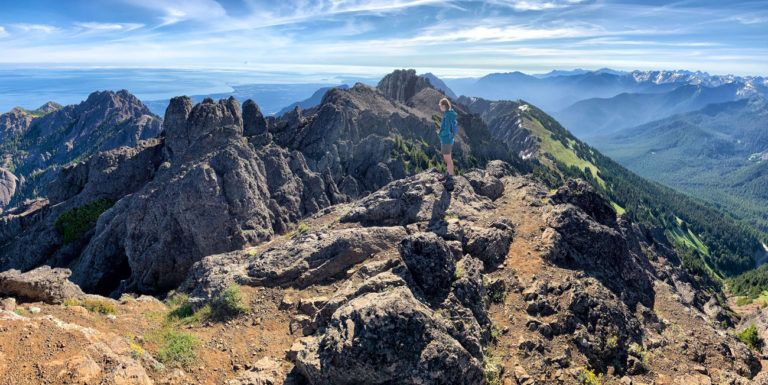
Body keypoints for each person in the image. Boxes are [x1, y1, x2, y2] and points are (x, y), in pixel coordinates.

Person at [437, 98, 457, 181]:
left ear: (444, 106)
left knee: (447, 159)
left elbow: (447, 129)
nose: (440, 107)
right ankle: (449, 174)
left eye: (440, 106)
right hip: (449, 139)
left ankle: (450, 176)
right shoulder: (449, 113)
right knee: (448, 158)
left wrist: (440, 134)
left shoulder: (448, 115)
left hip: (446, 140)